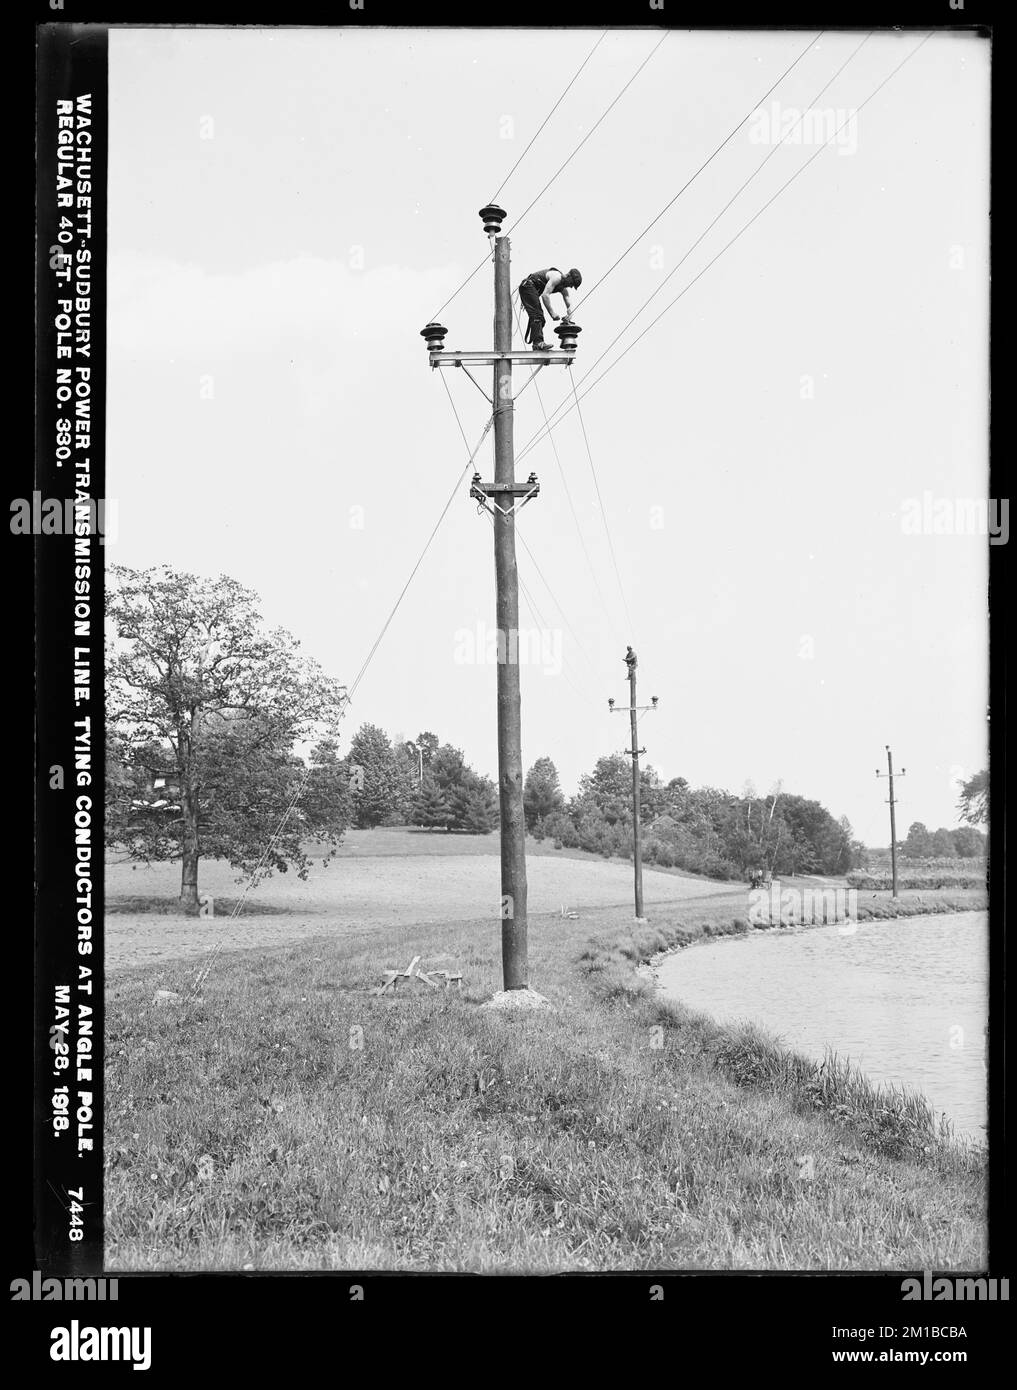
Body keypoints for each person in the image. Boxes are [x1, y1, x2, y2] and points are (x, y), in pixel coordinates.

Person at [517, 266, 582, 349]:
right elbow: (545, 295)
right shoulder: (557, 277)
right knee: (538, 316)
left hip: (530, 289)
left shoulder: (563, 285)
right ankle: (538, 343)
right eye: (571, 283)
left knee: (540, 319)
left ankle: (537, 343)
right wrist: (552, 313)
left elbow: (567, 297)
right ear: (568, 276)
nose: (570, 286)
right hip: (528, 286)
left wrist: (570, 312)